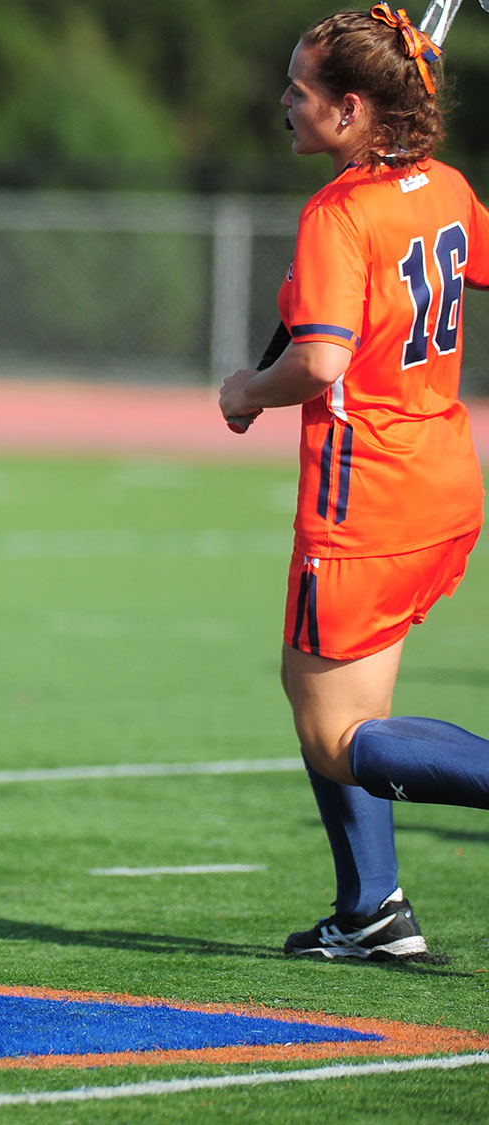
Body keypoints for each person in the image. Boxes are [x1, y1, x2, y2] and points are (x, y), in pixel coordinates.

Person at [220, 4, 489, 960]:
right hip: (443, 484)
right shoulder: (446, 185)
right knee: (327, 692)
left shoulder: (338, 212)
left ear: (350, 111)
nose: (283, 103)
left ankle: (376, 900)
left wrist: (251, 385)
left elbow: (322, 364)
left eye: (299, 90)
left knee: (338, 734)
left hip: (364, 500)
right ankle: (373, 908)